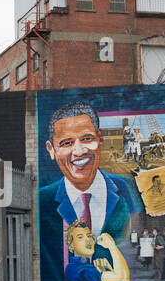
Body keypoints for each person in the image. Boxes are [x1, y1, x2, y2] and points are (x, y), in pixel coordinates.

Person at [40, 101, 140, 239]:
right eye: (67, 143)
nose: (79, 151)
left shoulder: (132, 189)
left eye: (87, 139)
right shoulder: (41, 201)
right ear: (51, 150)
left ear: (100, 138)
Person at [63, 220, 134, 281]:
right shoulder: (78, 270)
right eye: (80, 237)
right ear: (71, 246)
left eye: (89, 236)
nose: (88, 240)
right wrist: (112, 246)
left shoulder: (93, 267)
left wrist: (110, 271)